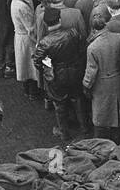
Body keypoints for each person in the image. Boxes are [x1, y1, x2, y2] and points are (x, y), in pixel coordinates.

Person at [32, 7, 84, 141]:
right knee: (77, 99)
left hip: (56, 76)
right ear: (59, 19)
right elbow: (81, 49)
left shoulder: (45, 42)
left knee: (60, 105)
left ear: (45, 23)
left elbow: (37, 61)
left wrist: (46, 70)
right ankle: (84, 126)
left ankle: (64, 132)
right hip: (74, 72)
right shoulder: (72, 32)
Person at [83, 10, 120, 140]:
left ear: (93, 28)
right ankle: (118, 139)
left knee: (101, 115)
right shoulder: (119, 38)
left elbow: (91, 71)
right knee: (116, 112)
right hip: (118, 79)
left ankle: (101, 142)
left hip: (101, 85)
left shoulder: (93, 47)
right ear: (105, 24)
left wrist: (86, 85)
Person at [9, 0, 38, 100]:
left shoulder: (16, 1)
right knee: (31, 66)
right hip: (27, 38)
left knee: (23, 64)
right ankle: (32, 92)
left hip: (20, 37)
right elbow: (30, 27)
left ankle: (26, 90)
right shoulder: (22, 6)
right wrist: (37, 40)